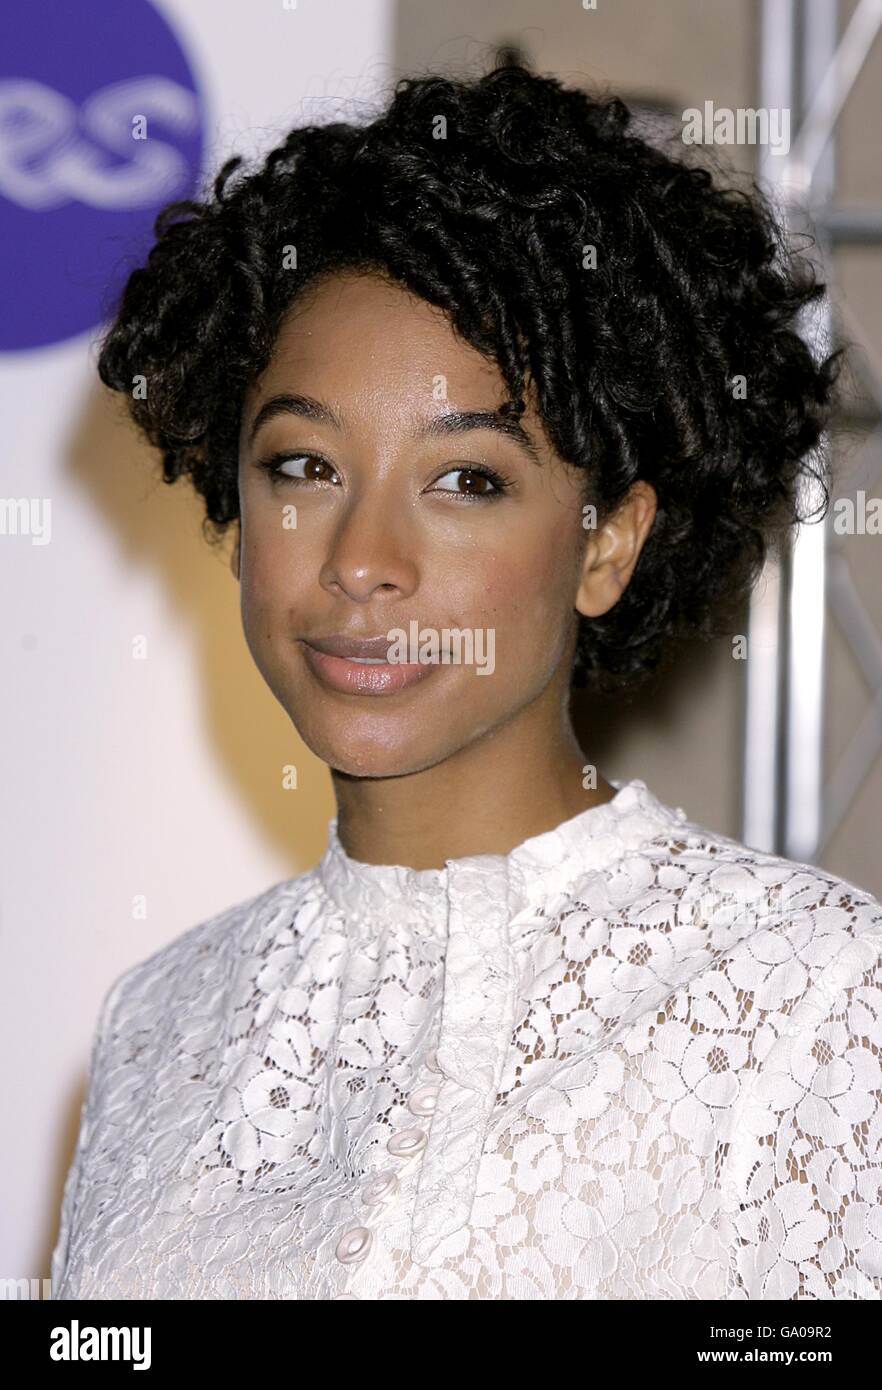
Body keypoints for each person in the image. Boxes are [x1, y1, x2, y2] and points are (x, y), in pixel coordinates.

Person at [51, 63, 882, 1300]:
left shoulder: (810, 999)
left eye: (468, 480)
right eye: (304, 465)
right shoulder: (156, 1024)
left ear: (606, 541)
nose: (362, 563)